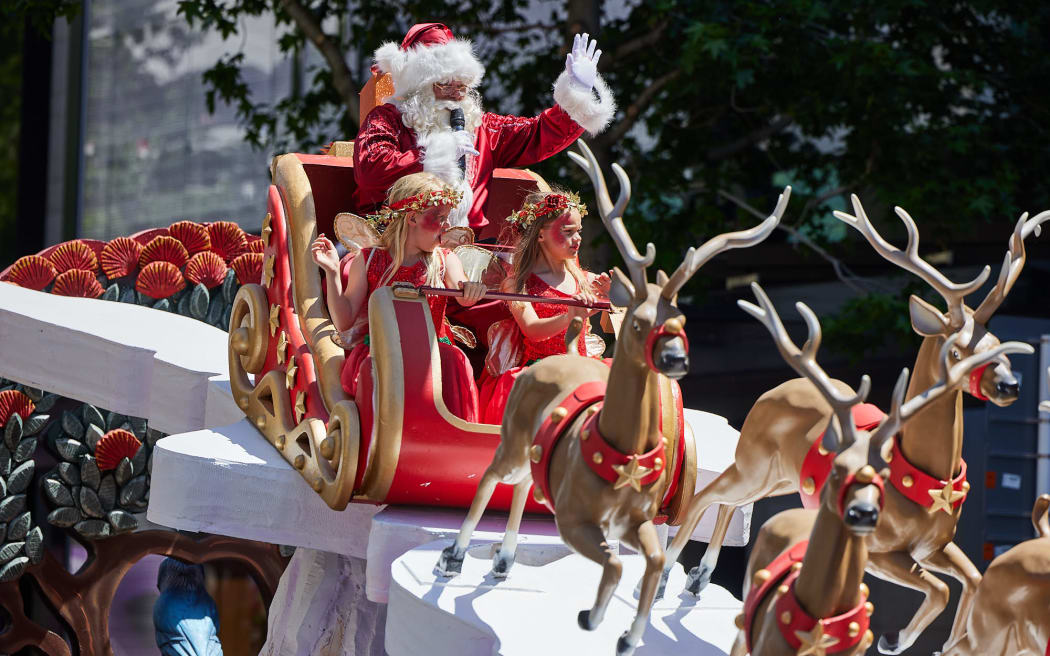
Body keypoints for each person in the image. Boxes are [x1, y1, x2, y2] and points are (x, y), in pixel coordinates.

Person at [353, 24, 616, 231]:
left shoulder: (482, 128)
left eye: (462, 86)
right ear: (418, 86)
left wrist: (576, 94)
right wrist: (434, 157)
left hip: (465, 254)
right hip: (395, 245)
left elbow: (538, 135)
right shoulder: (387, 119)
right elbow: (371, 169)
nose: (456, 95)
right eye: (445, 84)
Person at [311, 172, 487, 421]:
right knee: (379, 370)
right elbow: (344, 321)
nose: (447, 226)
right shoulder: (371, 259)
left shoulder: (445, 259)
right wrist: (331, 271)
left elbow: (464, 293)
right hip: (384, 355)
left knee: (452, 360)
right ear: (412, 217)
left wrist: (471, 290)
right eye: (439, 218)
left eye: (447, 218)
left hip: (435, 357)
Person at [477, 189, 611, 425]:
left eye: (578, 230)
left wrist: (609, 300)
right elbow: (533, 330)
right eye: (568, 232)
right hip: (540, 371)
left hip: (582, 367)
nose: (578, 238)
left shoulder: (584, 280)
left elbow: (609, 328)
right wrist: (571, 315)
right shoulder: (517, 283)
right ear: (540, 235)